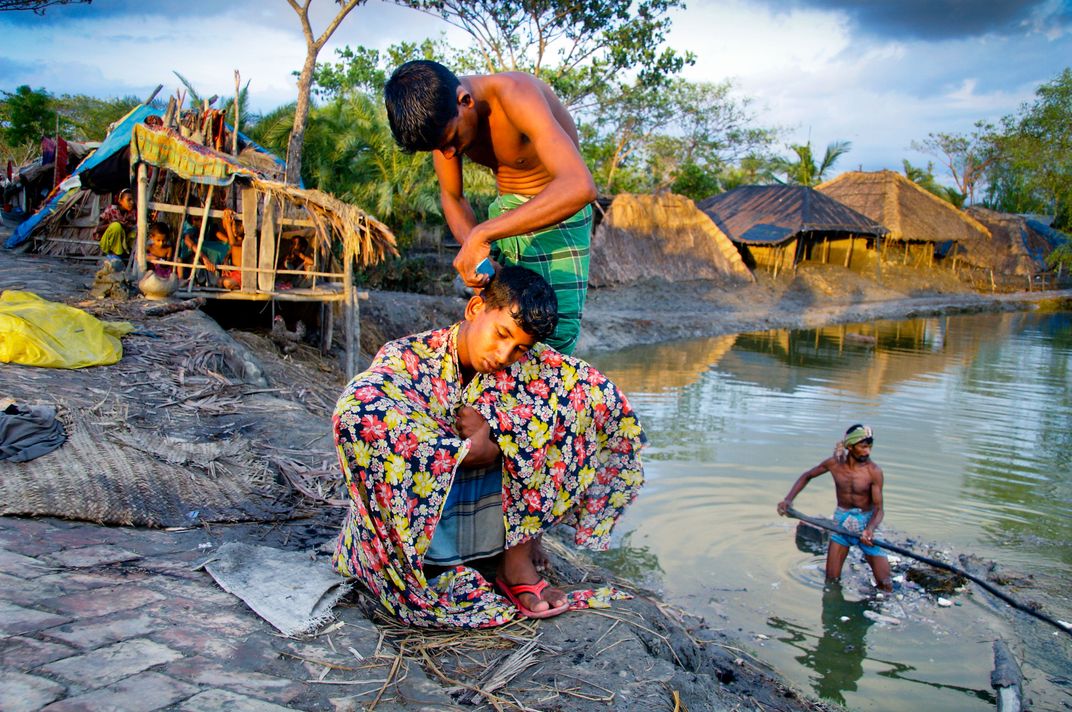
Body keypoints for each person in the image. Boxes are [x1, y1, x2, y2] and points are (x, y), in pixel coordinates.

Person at [332, 266, 645, 627]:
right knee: (365, 415)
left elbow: (592, 396)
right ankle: (436, 563)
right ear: (475, 308)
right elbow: (357, 407)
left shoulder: (526, 367)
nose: (503, 354)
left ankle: (513, 561)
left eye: (519, 349)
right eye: (501, 335)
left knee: (579, 396)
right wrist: (458, 452)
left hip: (489, 524)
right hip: (415, 534)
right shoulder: (406, 357)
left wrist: (499, 436)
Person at [384, 60, 597, 355]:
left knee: (552, 337)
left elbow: (579, 186)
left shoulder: (516, 94)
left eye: (451, 141)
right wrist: (476, 255)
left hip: (557, 217)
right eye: (439, 148)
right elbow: (452, 197)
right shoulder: (443, 122)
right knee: (501, 330)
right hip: (503, 222)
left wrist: (481, 234)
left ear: (465, 101)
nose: (447, 154)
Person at [777, 424, 892, 591]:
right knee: (831, 580)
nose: (868, 452)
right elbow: (807, 476)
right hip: (842, 520)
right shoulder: (834, 464)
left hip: (867, 522)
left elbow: (879, 509)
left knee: (885, 584)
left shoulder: (873, 472)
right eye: (863, 447)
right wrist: (788, 500)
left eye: (869, 447)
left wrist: (870, 529)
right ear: (850, 446)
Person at [94, 188, 137, 259]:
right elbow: (98, 229)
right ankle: (116, 255)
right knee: (116, 226)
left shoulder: (132, 213)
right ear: (120, 201)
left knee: (135, 232)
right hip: (108, 244)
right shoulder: (111, 210)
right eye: (128, 200)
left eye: (132, 200)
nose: (132, 202)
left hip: (123, 243)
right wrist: (115, 223)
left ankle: (133, 255)